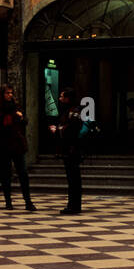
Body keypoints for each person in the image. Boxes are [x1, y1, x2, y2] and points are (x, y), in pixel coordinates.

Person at [0, 84, 36, 211]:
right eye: (7, 93)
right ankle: (8, 202)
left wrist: (21, 117)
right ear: (2, 95)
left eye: (11, 93)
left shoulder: (16, 108)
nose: (10, 95)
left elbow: (25, 122)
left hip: (17, 145)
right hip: (3, 145)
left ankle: (28, 201)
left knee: (23, 174)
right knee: (6, 175)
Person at [50, 86, 82, 214]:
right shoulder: (69, 110)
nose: (60, 99)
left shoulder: (73, 111)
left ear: (68, 98)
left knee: (73, 178)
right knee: (73, 178)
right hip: (70, 149)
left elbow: (71, 129)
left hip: (71, 149)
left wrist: (57, 130)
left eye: (62, 96)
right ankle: (74, 204)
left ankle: (73, 206)